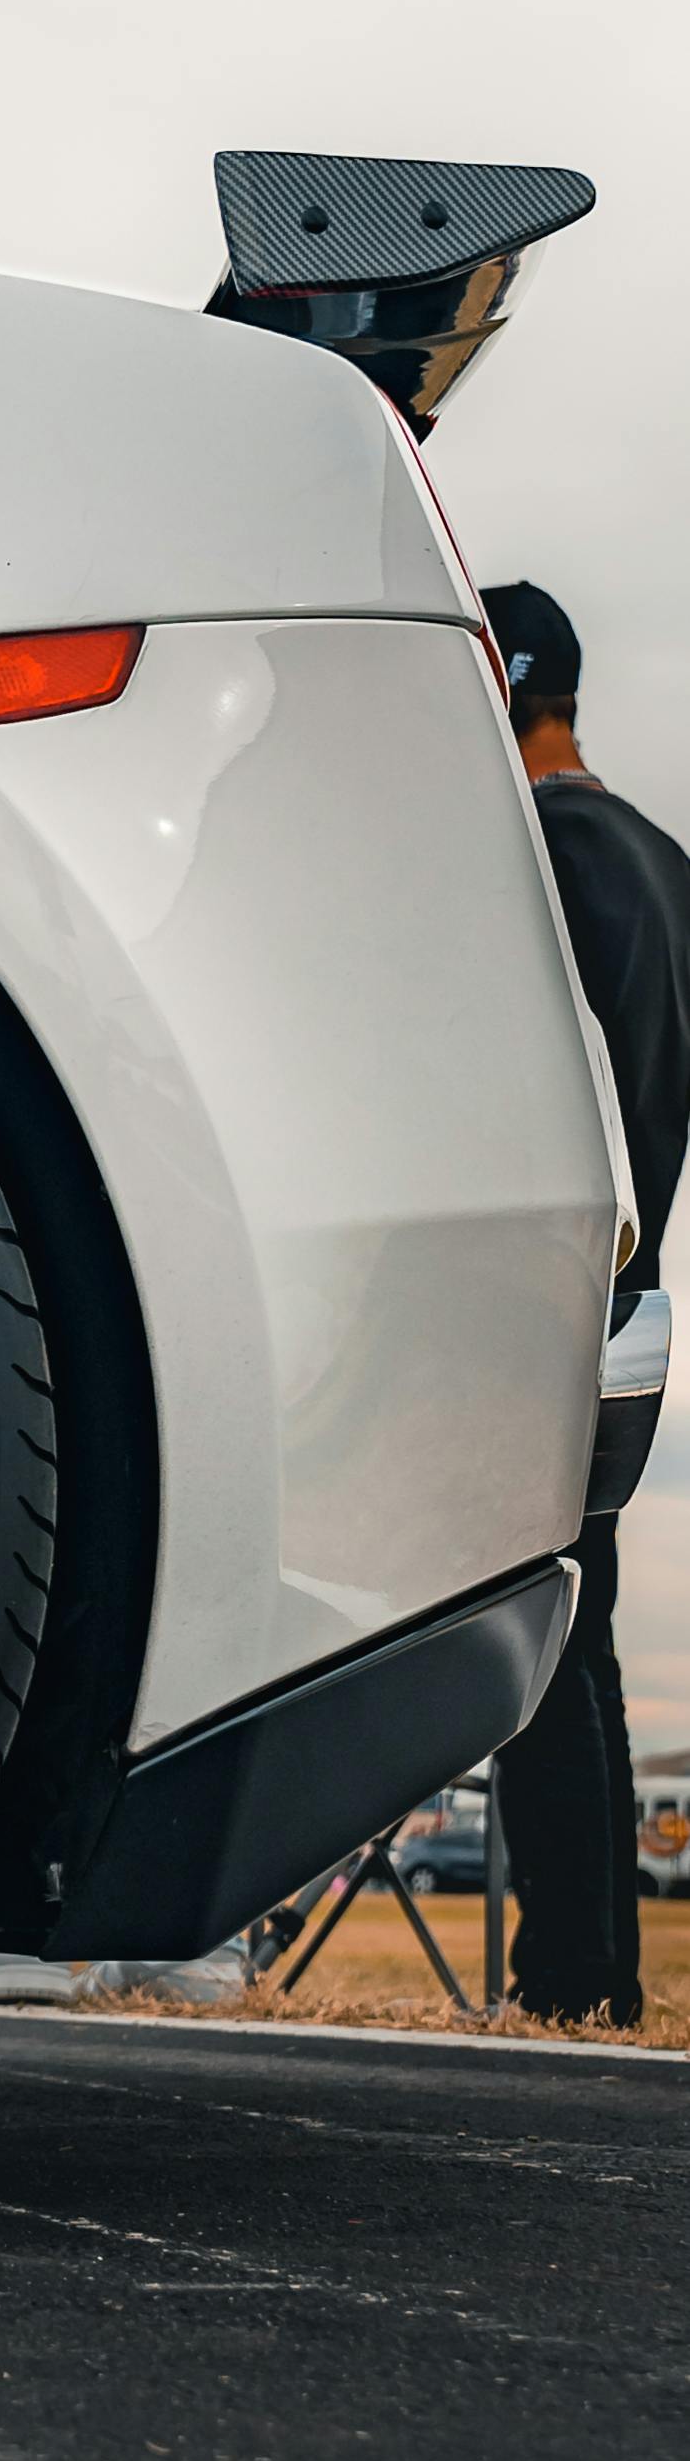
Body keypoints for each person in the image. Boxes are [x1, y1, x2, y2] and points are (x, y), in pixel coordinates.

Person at [487, 580, 690, 2027]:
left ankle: (566, 1973)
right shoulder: (665, 862)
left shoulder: (536, 850)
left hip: (534, 1299)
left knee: (533, 1642)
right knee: (583, 1634)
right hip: (633, 1293)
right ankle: (589, 1973)